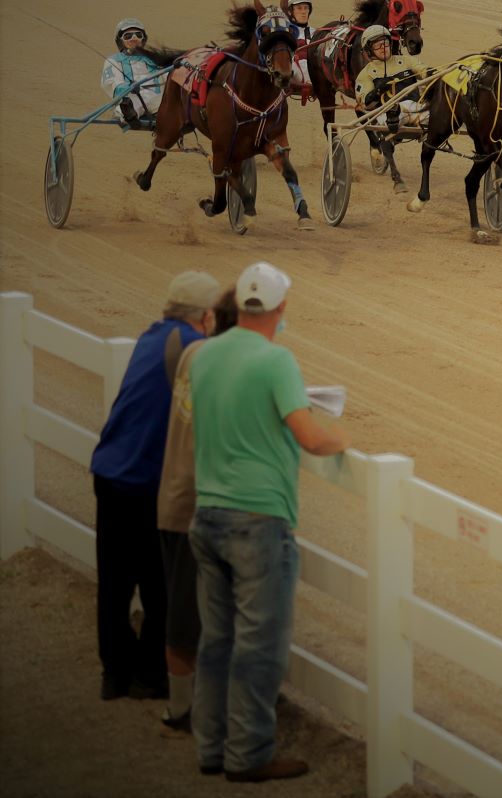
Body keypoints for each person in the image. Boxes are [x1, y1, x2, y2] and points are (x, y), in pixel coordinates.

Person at [189, 262, 349, 783]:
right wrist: (340, 442)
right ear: (279, 309)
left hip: (208, 511)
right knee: (259, 646)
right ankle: (249, 754)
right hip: (259, 518)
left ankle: (211, 747)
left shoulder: (205, 354)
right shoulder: (276, 360)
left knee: (216, 641)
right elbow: (307, 435)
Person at [88, 270, 221, 703]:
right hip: (146, 478)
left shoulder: (152, 336)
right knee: (160, 583)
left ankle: (115, 673)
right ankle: (150, 675)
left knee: (114, 581)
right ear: (205, 317)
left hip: (110, 469)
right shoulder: (192, 348)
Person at [156, 288, 238, 734]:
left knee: (183, 609)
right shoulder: (213, 362)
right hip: (194, 506)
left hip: (172, 499)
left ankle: (185, 706)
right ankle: (187, 713)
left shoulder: (189, 356)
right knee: (189, 617)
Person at [352, 24, 423, 137]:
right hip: (385, 118)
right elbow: (366, 104)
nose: (383, 48)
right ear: (369, 50)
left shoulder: (407, 61)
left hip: (415, 110)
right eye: (377, 45)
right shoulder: (365, 74)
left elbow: (424, 72)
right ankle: (394, 112)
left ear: (390, 44)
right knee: (405, 108)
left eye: (385, 43)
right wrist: (378, 91)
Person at [101, 18, 168, 128]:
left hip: (156, 96)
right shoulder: (114, 60)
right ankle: (127, 115)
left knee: (168, 104)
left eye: (138, 35)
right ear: (120, 40)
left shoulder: (154, 58)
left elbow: (166, 75)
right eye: (128, 36)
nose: (134, 38)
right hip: (132, 96)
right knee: (128, 105)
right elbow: (112, 81)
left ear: (143, 39)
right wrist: (127, 88)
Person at [281, 0, 315, 91]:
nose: (304, 12)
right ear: (290, 12)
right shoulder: (283, 33)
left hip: (315, 78)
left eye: (306, 8)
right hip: (291, 76)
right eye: (299, 8)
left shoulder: (316, 33)